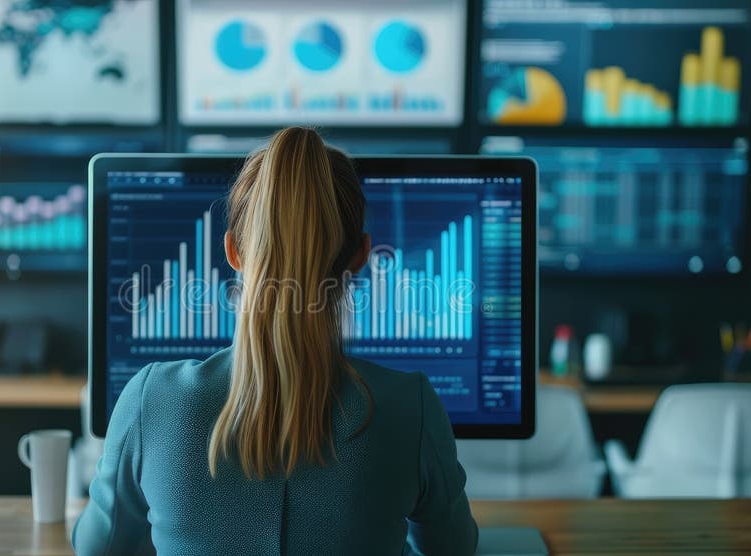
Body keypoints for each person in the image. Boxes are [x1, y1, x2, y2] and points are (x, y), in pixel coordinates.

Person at [73, 127, 478, 555]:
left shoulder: (150, 398)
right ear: (362, 255)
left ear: (233, 252)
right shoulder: (410, 407)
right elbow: (454, 549)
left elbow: (96, 549)